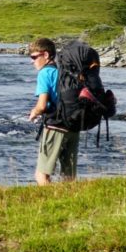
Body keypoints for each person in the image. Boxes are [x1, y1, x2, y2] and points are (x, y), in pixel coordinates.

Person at [27, 38, 79, 184]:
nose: (32, 61)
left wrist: (34, 112)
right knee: (69, 176)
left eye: (34, 57)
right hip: (73, 126)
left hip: (55, 126)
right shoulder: (64, 72)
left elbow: (42, 106)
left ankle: (47, 198)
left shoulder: (45, 73)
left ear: (45, 55)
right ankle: (71, 198)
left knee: (41, 175)